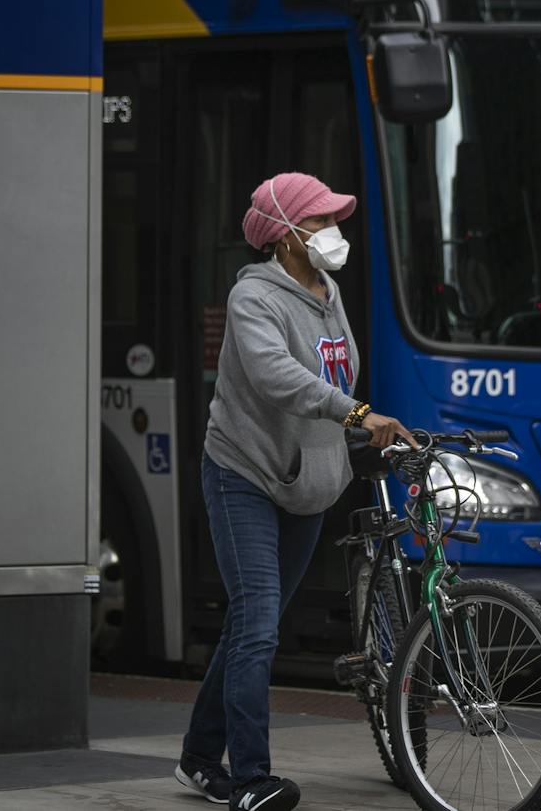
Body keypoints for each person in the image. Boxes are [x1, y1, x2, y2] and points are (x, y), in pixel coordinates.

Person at [174, 172, 414, 811]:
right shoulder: (254, 298)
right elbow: (279, 377)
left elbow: (331, 378)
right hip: (244, 476)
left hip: (306, 482)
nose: (334, 231)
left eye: (336, 218)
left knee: (254, 624)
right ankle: (251, 779)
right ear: (285, 237)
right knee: (256, 625)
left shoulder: (327, 291)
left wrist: (358, 440)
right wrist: (358, 414)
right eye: (321, 221)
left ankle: (198, 757)